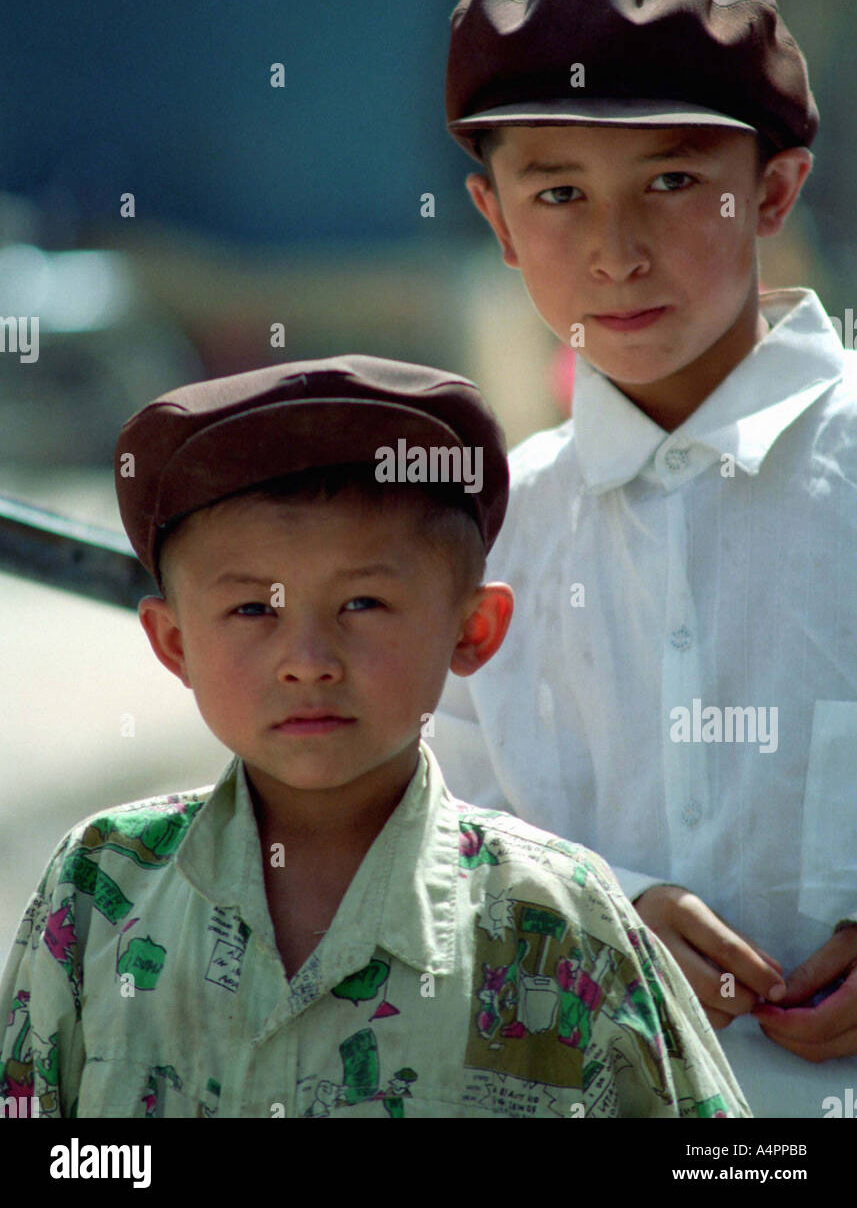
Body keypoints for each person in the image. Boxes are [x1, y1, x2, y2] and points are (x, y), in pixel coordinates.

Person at [0, 354, 749, 1119]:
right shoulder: (102, 886)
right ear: (173, 645)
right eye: (253, 611)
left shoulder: (558, 922)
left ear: (473, 629)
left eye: (361, 603)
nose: (308, 663)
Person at [432, 0, 857, 1117]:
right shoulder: (487, 530)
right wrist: (596, 920)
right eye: (557, 194)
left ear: (771, 189)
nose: (614, 253)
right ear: (497, 220)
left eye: (673, 182)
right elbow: (429, 845)